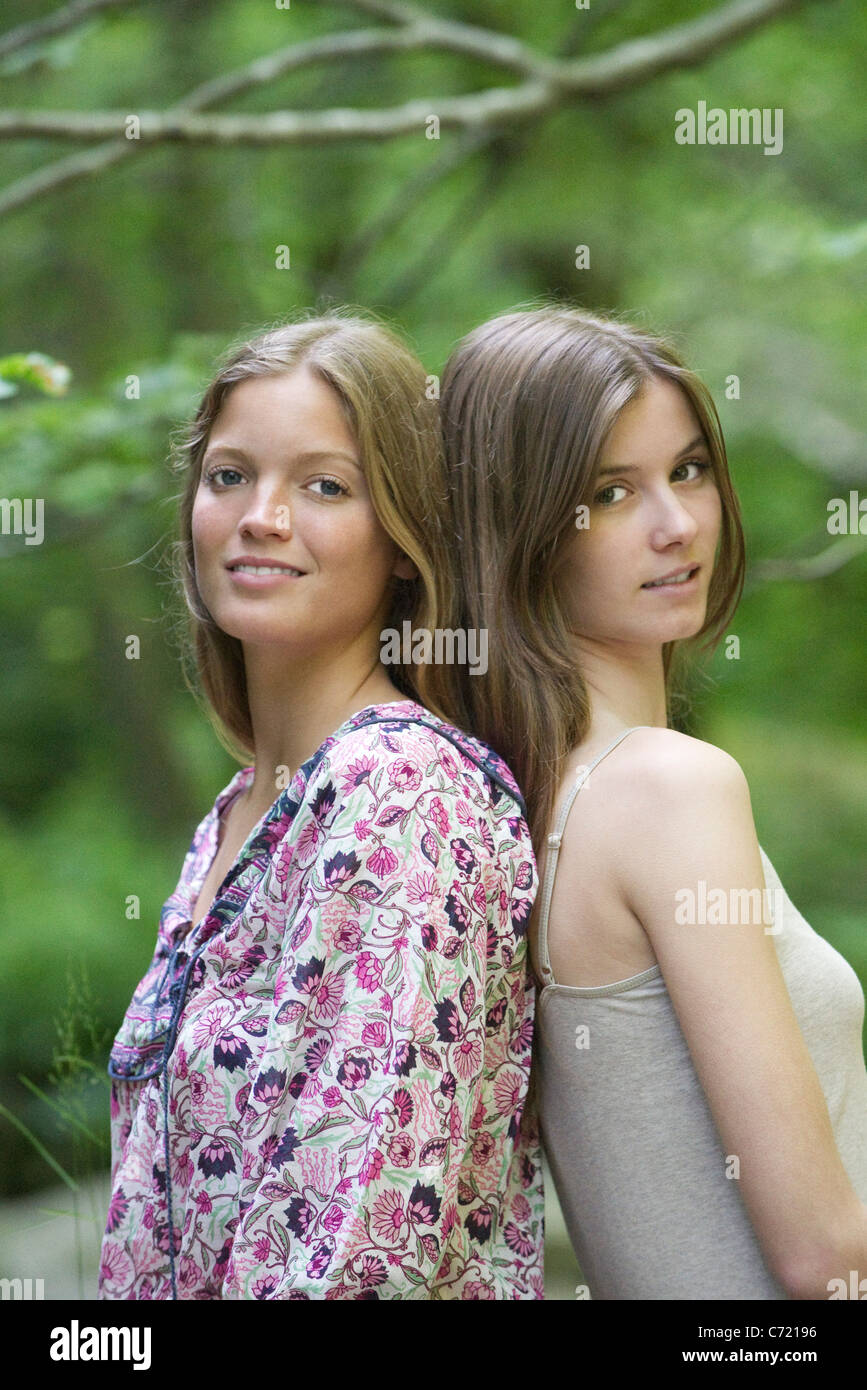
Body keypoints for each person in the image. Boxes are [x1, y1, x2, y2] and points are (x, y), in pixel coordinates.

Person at [99, 311, 543, 1300]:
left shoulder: (397, 789)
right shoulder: (236, 813)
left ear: (400, 539)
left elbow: (362, 1243)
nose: (262, 515)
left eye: (324, 485)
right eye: (229, 475)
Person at [434, 303, 867, 1300]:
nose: (678, 524)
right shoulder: (670, 788)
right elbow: (822, 1259)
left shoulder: (521, 802)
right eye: (611, 493)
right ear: (517, 522)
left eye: (689, 470)